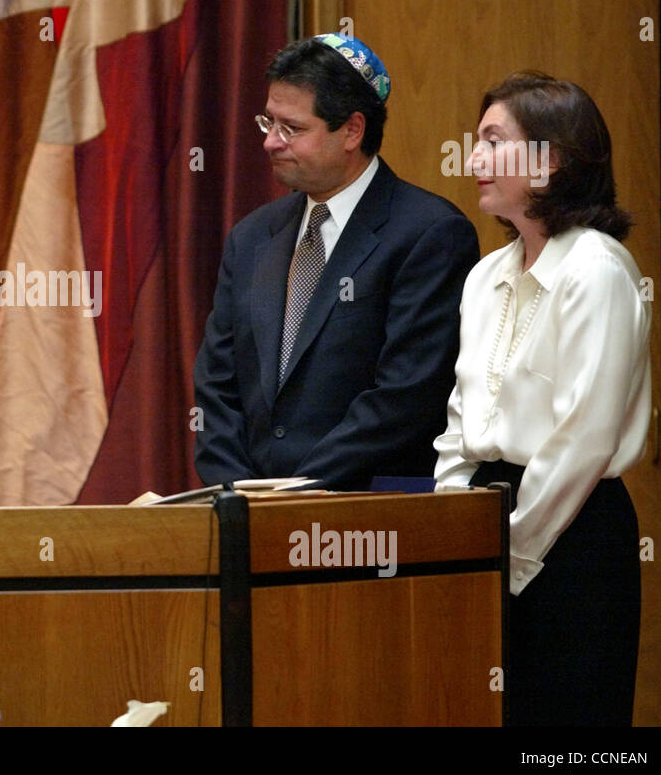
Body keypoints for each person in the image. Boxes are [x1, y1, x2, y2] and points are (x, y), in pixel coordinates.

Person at [434, 72, 650, 726]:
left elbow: (582, 440)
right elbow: (459, 420)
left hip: (572, 530)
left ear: (549, 159)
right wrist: (454, 534)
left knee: (569, 737)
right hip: (490, 518)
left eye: (492, 141)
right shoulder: (484, 275)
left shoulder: (598, 268)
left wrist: (513, 554)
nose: (472, 160)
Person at [194, 33, 479, 489]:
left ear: (352, 130)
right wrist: (235, 495)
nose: (270, 142)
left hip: (368, 518)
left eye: (292, 128)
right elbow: (216, 385)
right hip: (249, 516)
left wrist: (296, 491)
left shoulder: (430, 233)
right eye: (268, 122)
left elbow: (405, 398)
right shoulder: (251, 238)